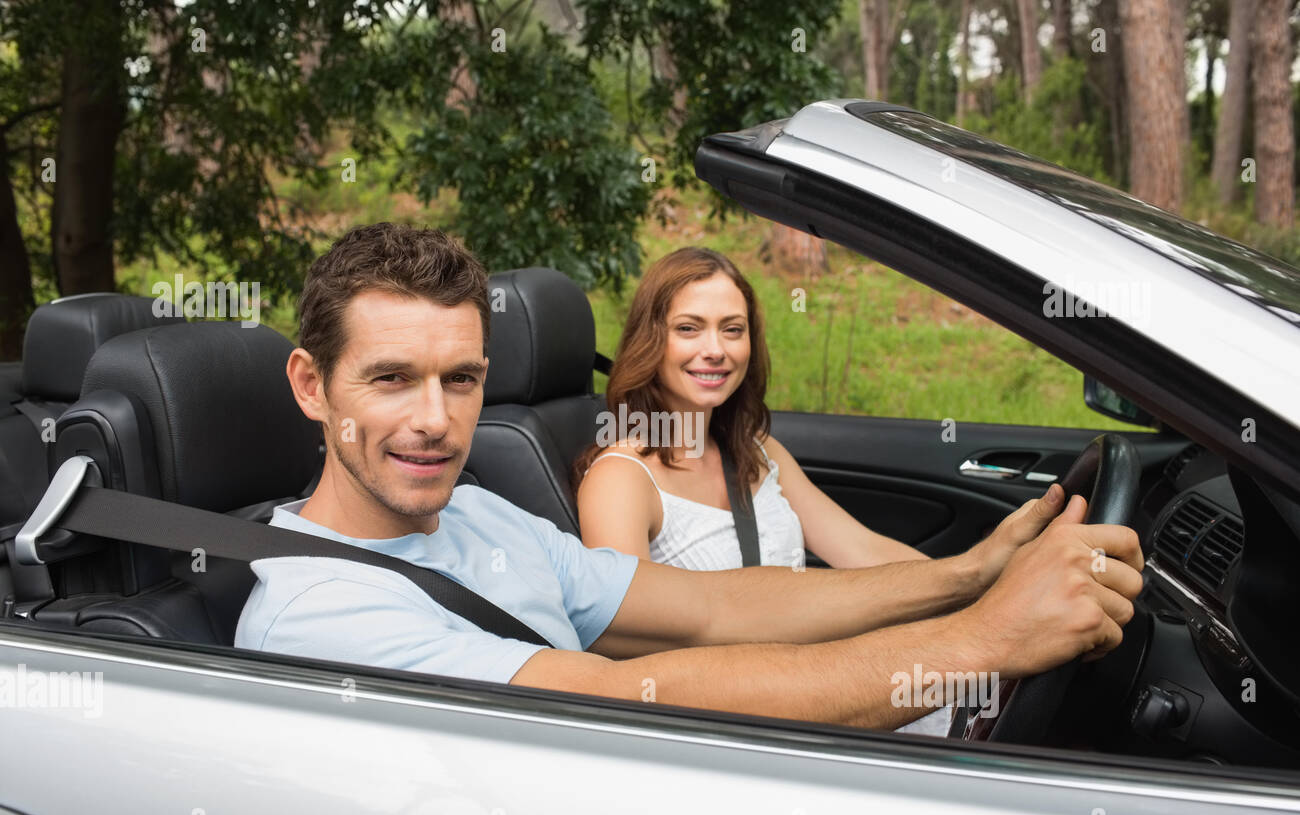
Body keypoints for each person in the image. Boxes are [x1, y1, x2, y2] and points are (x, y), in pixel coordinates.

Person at [235, 223, 1144, 733]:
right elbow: (623, 697)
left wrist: (970, 577)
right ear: (313, 387)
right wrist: (983, 642)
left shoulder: (476, 514)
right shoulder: (321, 613)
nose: (435, 419)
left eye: (462, 379)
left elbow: (716, 611)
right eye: (392, 378)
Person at [572, 247, 946, 731]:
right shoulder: (622, 478)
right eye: (689, 328)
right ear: (652, 342)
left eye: (733, 329)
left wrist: (976, 586)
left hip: (819, 682)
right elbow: (631, 640)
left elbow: (862, 548)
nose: (716, 349)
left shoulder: (757, 452)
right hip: (734, 720)